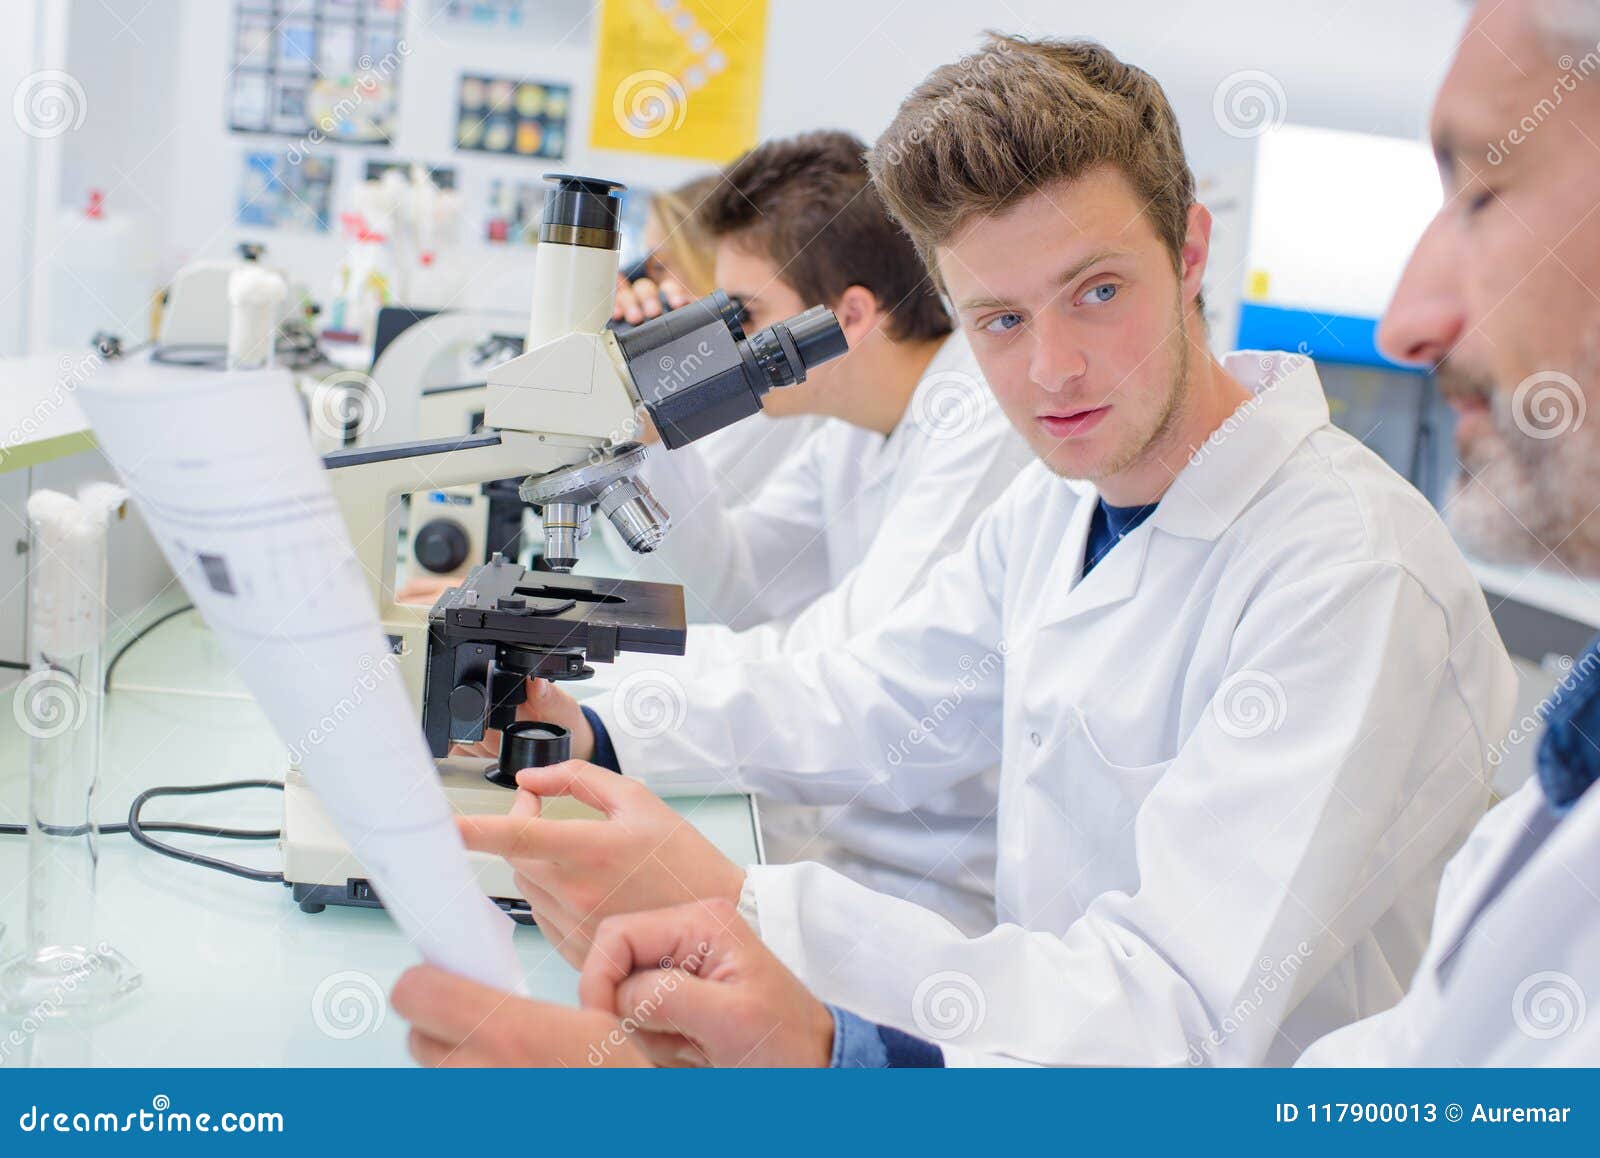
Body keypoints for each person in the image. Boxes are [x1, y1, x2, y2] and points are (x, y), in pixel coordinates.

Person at [392, 35, 1517, 1067]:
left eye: (1099, 291)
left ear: (1189, 253)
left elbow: (1173, 1010)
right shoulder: (1058, 503)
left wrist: (741, 903)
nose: (1055, 370)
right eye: (1001, 320)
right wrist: (589, 722)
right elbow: (869, 697)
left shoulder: (1350, 575)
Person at [477, 131, 1031, 933]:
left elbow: (857, 687)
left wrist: (599, 720)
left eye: (743, 316)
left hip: (921, 896)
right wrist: (641, 422)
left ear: (848, 316)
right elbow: (731, 592)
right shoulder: (851, 426)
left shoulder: (974, 424)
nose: (720, 343)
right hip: (825, 833)